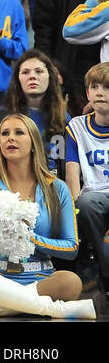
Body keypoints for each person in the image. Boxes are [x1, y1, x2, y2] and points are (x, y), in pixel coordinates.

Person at [0, 114, 90, 318]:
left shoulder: (57, 188)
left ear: (33, 142)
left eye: (19, 133)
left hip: (39, 278)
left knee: (71, 282)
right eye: (5, 134)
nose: (10, 138)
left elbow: (71, 248)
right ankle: (44, 308)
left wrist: (30, 238)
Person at [63, 63, 109, 293]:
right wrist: (73, 209)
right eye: (95, 87)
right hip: (94, 198)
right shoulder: (76, 126)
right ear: (88, 93)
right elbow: (73, 172)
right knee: (85, 204)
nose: (100, 92)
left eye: (107, 87)